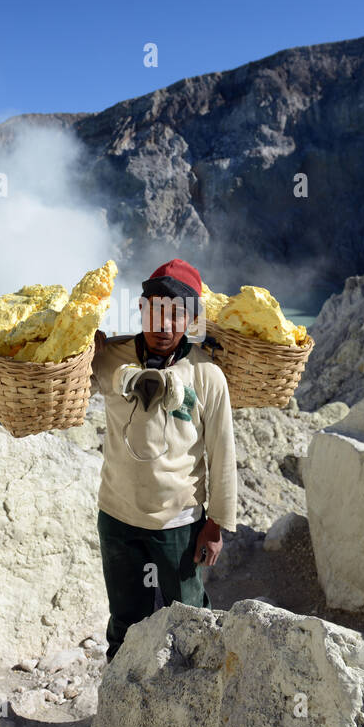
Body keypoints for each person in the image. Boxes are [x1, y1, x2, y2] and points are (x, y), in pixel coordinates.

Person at [89, 258, 237, 663]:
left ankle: (196, 708)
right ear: (141, 310)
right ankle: (121, 708)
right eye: (156, 313)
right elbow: (60, 381)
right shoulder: (110, 358)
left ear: (189, 320)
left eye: (176, 315)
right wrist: (83, 345)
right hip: (118, 517)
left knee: (190, 620)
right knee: (125, 624)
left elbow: (222, 451)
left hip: (179, 524)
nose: (164, 326)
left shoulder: (206, 375)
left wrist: (216, 524)